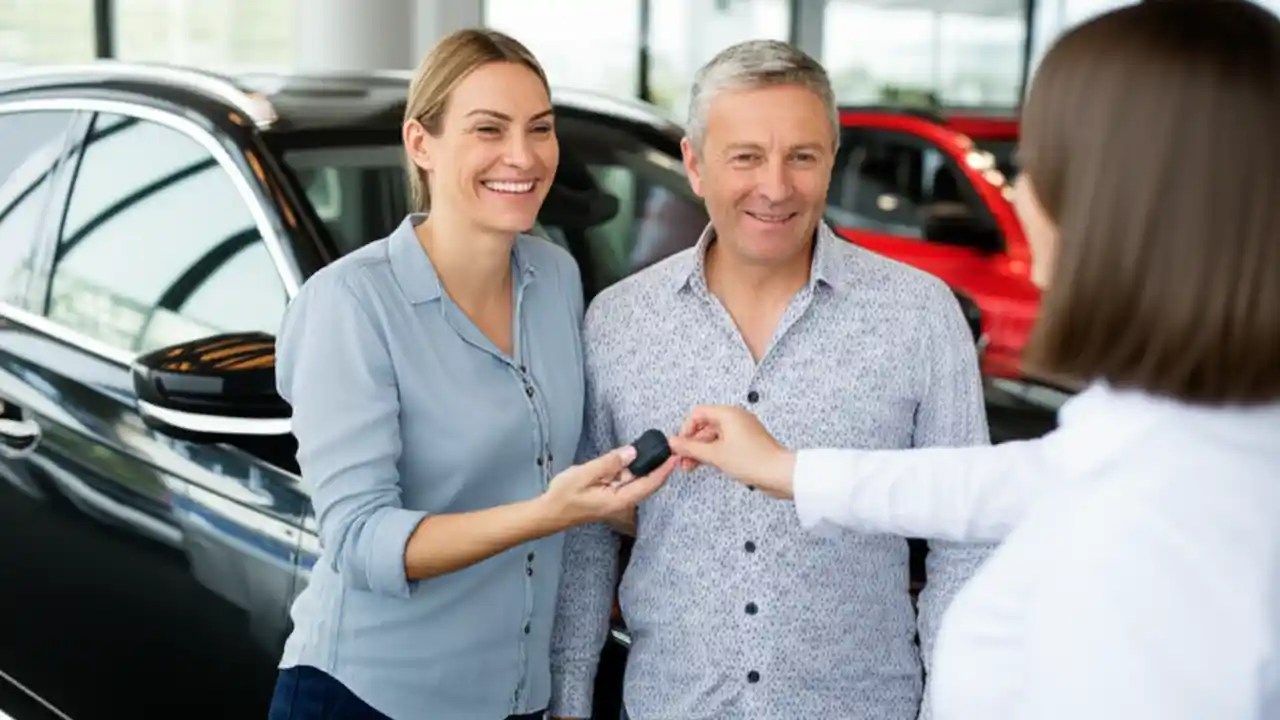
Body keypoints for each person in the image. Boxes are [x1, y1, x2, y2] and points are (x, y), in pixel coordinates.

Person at [669, 3, 1280, 719]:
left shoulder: (1152, 537)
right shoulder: (1184, 445)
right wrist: (788, 470)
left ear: (1124, 206)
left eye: (1042, 165)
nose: (1020, 192)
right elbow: (1012, 481)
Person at [550, 40, 993, 720]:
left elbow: (964, 539)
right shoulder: (617, 323)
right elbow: (583, 539)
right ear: (695, 165)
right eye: (746, 157)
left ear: (831, 164)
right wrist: (570, 704)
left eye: (802, 157)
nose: (776, 186)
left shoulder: (919, 317)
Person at [268, 29, 675, 720]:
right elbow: (363, 542)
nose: (523, 156)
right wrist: (547, 514)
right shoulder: (350, 304)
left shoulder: (554, 275)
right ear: (421, 143)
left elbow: (559, 460)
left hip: (514, 701)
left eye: (539, 129)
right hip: (369, 699)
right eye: (489, 129)